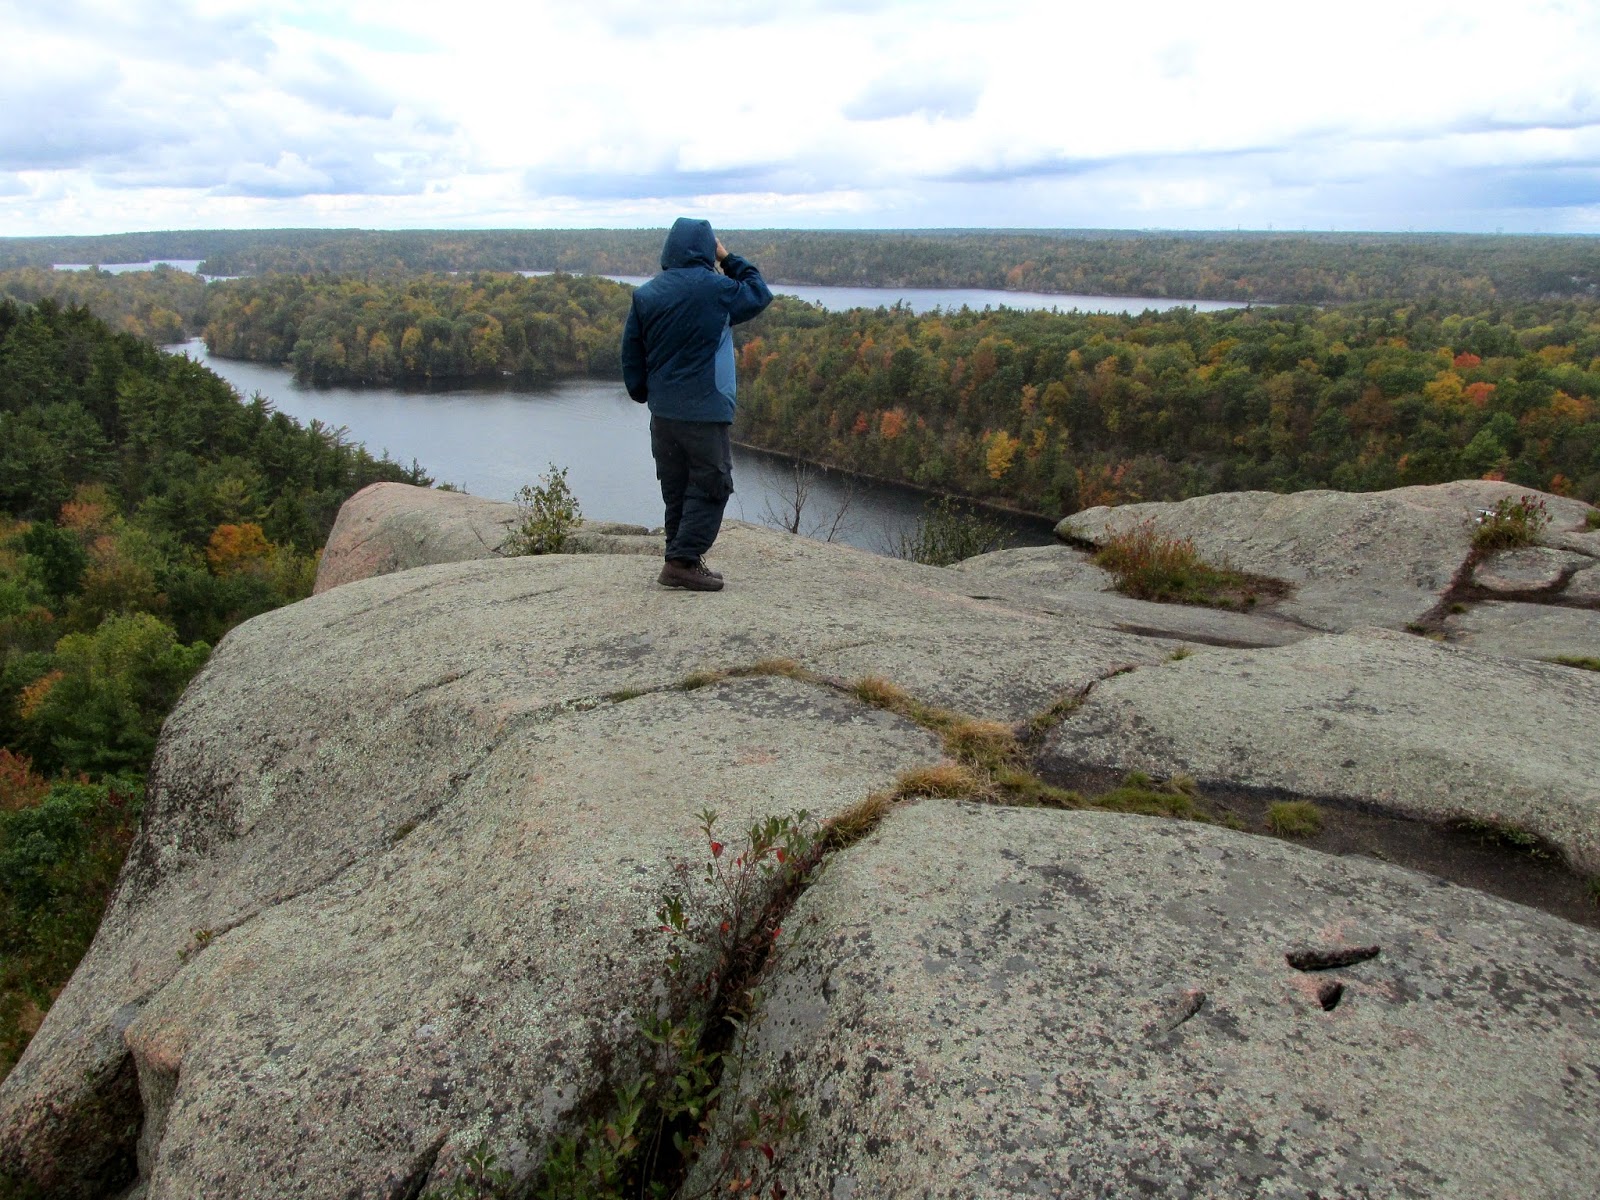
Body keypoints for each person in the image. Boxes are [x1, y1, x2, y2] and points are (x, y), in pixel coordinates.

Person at [621, 218, 773, 591]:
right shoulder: (719, 290)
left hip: (664, 415)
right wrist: (727, 256)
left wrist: (643, 393)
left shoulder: (647, 295)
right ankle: (681, 562)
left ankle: (681, 558)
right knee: (711, 485)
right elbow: (759, 291)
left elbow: (631, 353)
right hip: (705, 412)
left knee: (676, 488)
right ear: (708, 249)